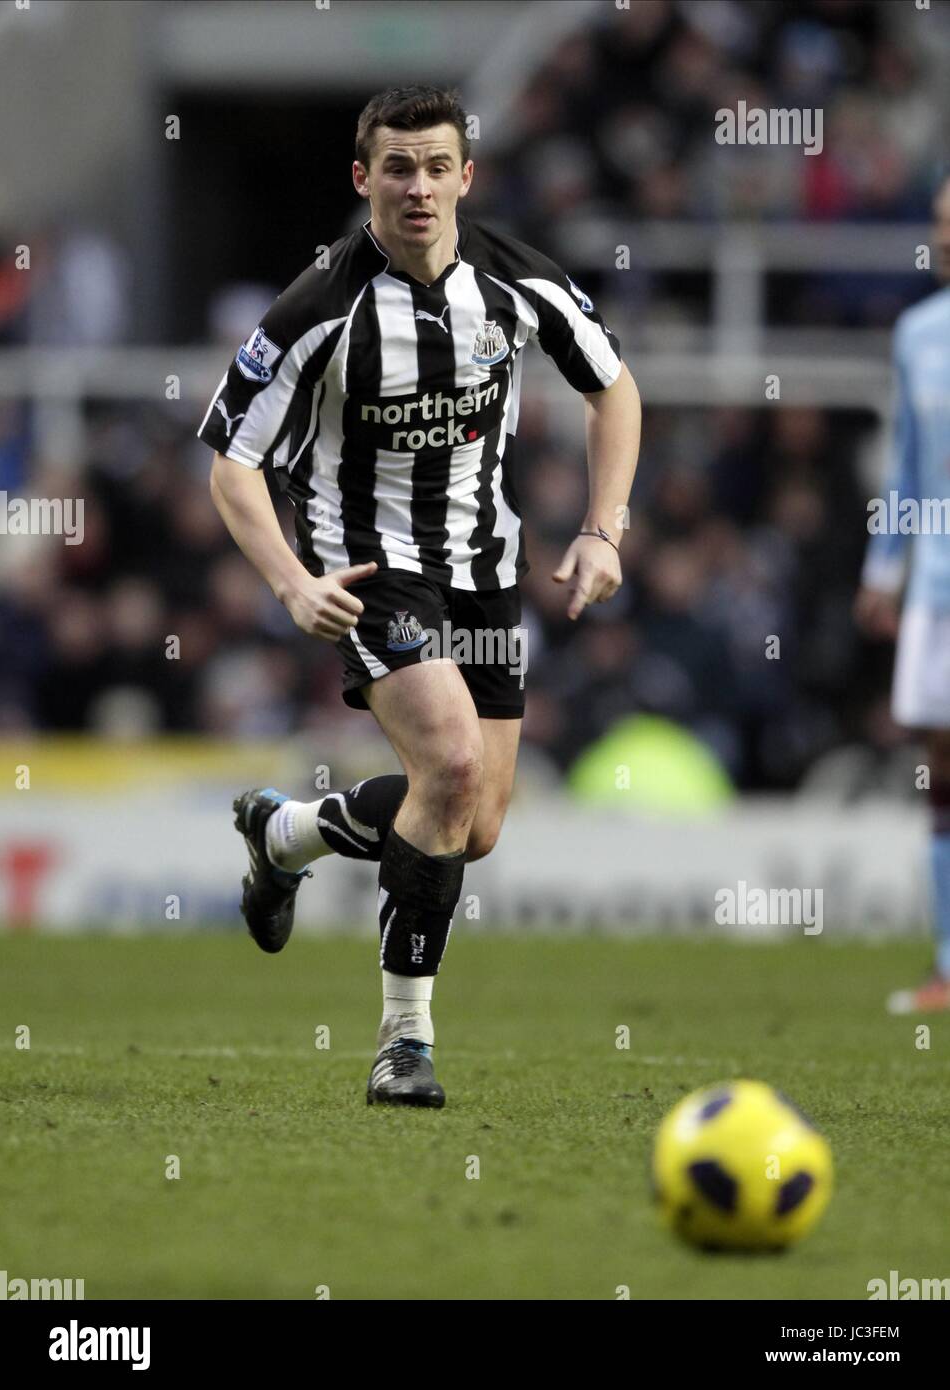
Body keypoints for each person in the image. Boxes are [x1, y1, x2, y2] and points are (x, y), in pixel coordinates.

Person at [199, 85, 641, 1103]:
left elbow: (612, 386)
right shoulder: (317, 304)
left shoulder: (515, 280)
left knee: (474, 819)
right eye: (397, 168)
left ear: (466, 177)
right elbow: (232, 461)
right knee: (446, 765)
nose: (418, 188)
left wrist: (604, 528)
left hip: (487, 570)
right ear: (364, 181)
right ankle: (405, 1042)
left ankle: (285, 834)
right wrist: (290, 581)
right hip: (371, 566)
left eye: (437, 167)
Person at [855, 174, 950, 1014]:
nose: (944, 238)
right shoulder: (918, 332)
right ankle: (949, 966)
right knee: (942, 770)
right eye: (940, 224)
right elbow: (907, 464)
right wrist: (883, 570)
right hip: (937, 585)